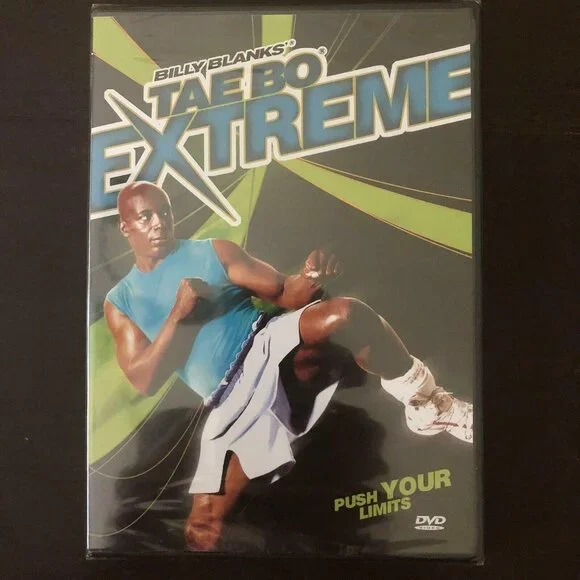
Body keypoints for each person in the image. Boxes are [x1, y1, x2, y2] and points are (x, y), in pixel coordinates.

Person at [104, 181, 474, 551]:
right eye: (145, 216)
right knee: (203, 525)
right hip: (228, 400)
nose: (159, 222)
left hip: (267, 343)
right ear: (125, 226)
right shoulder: (121, 300)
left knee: (346, 314)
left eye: (164, 212)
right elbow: (143, 379)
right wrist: (177, 315)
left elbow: (284, 293)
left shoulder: (213, 252)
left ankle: (428, 405)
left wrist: (308, 277)